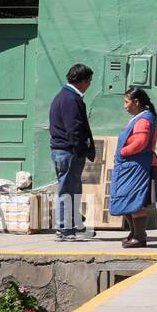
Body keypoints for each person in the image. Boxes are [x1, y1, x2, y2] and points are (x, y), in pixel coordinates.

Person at [48, 64, 95, 241]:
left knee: (73, 189)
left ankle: (74, 226)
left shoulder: (66, 97)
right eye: (89, 81)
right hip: (69, 152)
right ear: (82, 81)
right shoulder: (70, 99)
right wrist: (81, 149)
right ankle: (64, 229)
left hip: (66, 151)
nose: (90, 84)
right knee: (67, 190)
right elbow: (74, 128)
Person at [111, 87, 157, 248]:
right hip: (129, 166)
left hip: (137, 166)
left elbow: (140, 142)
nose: (124, 106)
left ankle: (139, 236)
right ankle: (133, 233)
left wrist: (123, 152)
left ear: (136, 102)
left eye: (126, 102)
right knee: (126, 199)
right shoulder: (138, 118)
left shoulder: (144, 120)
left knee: (135, 201)